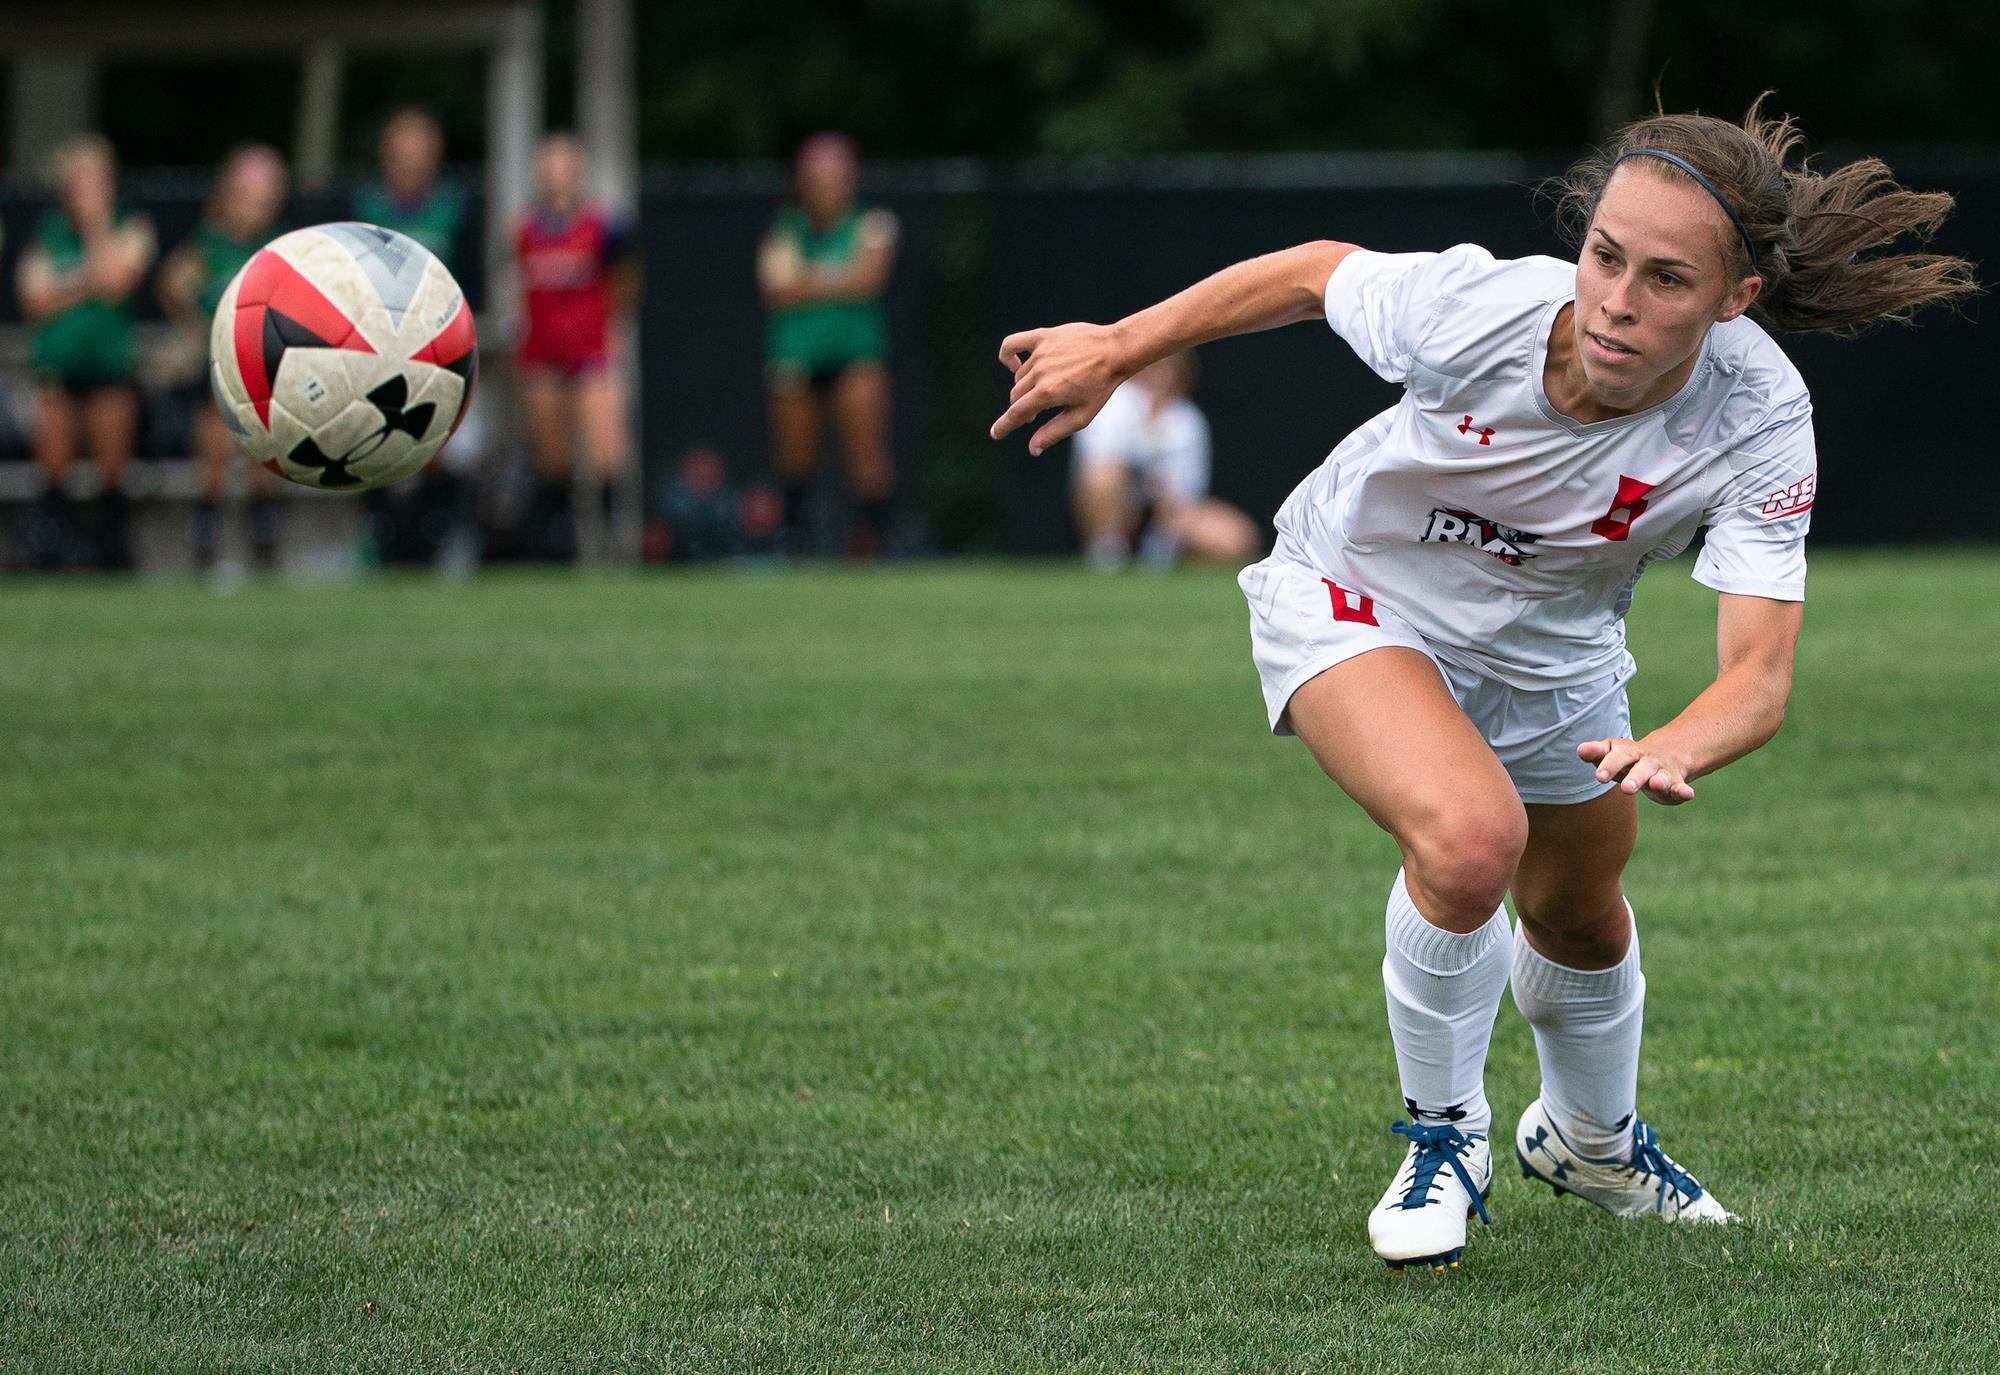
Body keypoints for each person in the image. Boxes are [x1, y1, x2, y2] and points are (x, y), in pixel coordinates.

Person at [990, 99, 1974, 1272]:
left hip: (1553, 652)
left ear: (1733, 300)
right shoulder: (1481, 309)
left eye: (1665, 279)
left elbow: (1755, 677)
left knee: (1578, 913)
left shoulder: (1758, 415)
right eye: (1603, 255)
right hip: (1354, 589)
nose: (1614, 299)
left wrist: (1677, 743)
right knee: (1467, 843)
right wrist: (1118, 345)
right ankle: (1441, 1136)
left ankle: (1589, 1141)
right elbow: (1314, 274)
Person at [15, 134, 155, 570]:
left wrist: (94, 233)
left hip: (109, 368)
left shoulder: (131, 227)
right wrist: (89, 279)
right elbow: (33, 298)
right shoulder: (48, 233)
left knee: (111, 468)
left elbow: (117, 283)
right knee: (52, 466)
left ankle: (111, 552)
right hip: (58, 366)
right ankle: (49, 550)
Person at [758, 133, 899, 558]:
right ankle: (795, 544)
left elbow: (868, 280)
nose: (826, 185)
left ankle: (873, 543)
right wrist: (839, 275)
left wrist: (807, 279)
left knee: (867, 459)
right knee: (794, 460)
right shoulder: (785, 228)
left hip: (857, 357)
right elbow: (776, 288)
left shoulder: (872, 224)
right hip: (795, 358)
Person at [352, 107, 481, 571]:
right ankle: (381, 539)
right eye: (400, 147)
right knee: (369, 441)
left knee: (442, 448)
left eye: (417, 147)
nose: (408, 157)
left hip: (437, 353)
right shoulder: (362, 207)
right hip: (371, 353)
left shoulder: (457, 206)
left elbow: (474, 284)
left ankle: (438, 539)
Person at [159, 143, 288, 573]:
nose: (255, 209)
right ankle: (206, 539)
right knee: (213, 455)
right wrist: (194, 328)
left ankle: (264, 539)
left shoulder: (280, 248)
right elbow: (174, 287)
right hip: (218, 370)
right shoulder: (207, 245)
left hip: (267, 372)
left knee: (264, 460)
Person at [513, 132, 639, 562]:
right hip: (542, 354)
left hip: (591, 351)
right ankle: (558, 546)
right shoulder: (524, 228)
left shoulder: (604, 226)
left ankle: (612, 543)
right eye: (547, 165)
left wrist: (609, 330)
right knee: (551, 454)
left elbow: (624, 283)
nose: (555, 174)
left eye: (564, 164)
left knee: (605, 451)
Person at [1071, 351, 1261, 571]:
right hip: (1119, 505)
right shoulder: (1113, 403)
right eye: (1152, 369)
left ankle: (1162, 558)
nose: (1161, 378)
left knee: (1236, 540)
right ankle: (1107, 554)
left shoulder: (1187, 419)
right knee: (1103, 478)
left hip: (1163, 514)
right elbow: (1100, 467)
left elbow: (1187, 495)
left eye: (1168, 370)